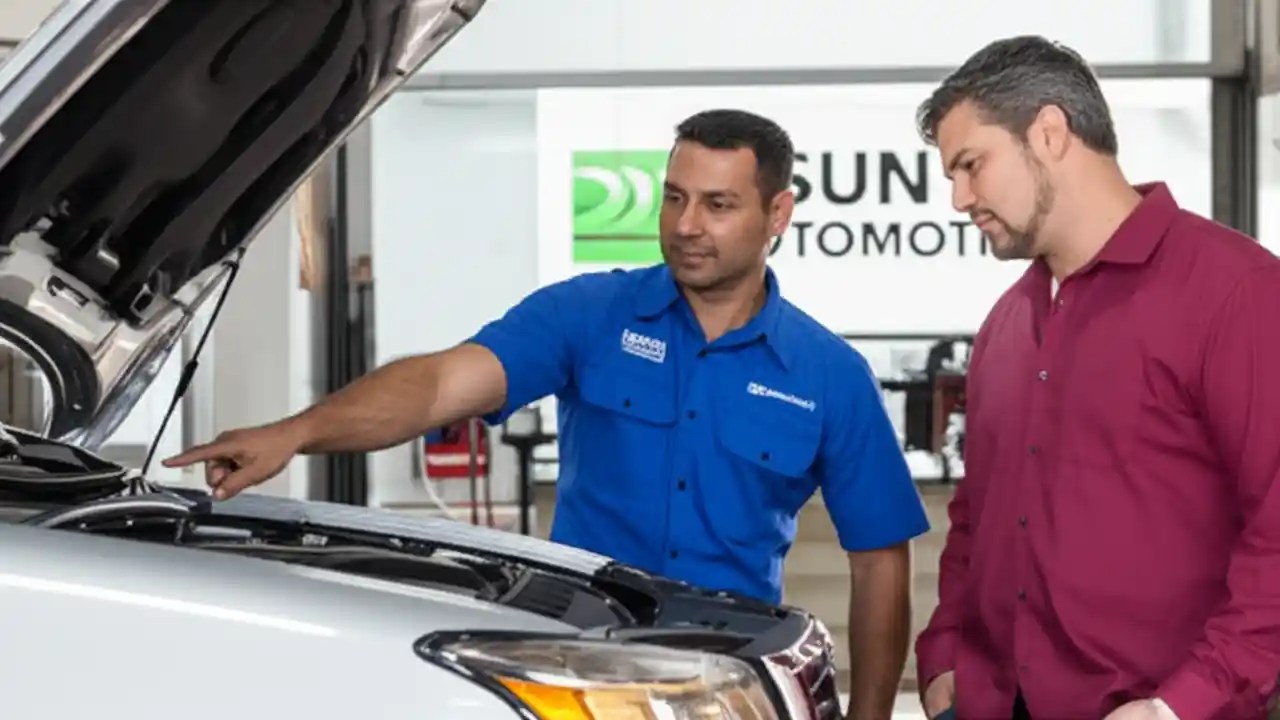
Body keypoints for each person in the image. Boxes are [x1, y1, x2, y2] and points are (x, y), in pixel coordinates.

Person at [165, 108, 931, 720]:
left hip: (723, 685)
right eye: (674, 197)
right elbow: (437, 385)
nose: (687, 224)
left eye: (718, 204)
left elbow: (880, 560)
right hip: (574, 672)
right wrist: (295, 433)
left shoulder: (830, 376)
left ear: (779, 213)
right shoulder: (589, 314)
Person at [911, 35, 1280, 720]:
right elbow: (978, 516)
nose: (959, 199)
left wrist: (1181, 704)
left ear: (1050, 132)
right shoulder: (1006, 323)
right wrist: (943, 655)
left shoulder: (1238, 293)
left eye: (971, 165)